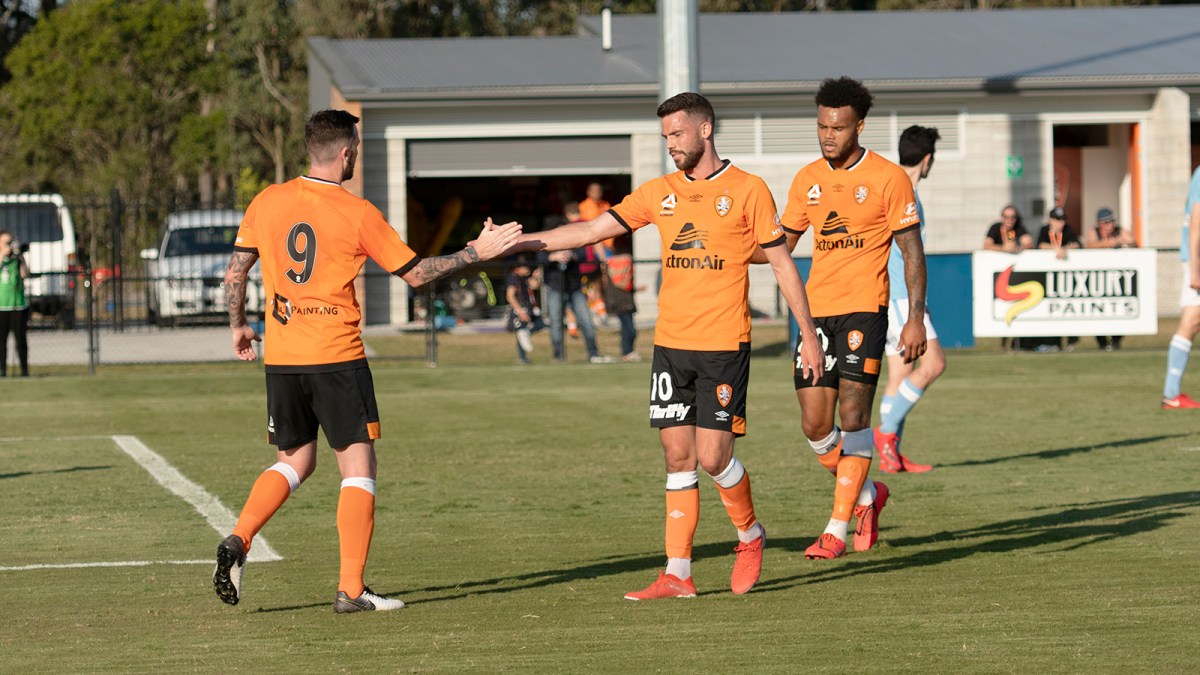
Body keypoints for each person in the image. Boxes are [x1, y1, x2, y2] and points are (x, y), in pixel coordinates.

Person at [511, 92, 825, 600]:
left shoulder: (749, 190)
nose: (671, 146)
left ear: (705, 130)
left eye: (677, 135)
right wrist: (524, 242)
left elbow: (783, 263)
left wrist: (808, 335)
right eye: (665, 138)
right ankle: (678, 572)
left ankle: (750, 536)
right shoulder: (659, 192)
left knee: (713, 456)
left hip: (724, 344)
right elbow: (591, 229)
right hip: (671, 345)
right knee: (677, 456)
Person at [214, 109, 521, 613]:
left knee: (294, 460)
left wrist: (238, 326)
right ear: (346, 152)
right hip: (335, 356)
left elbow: (235, 273)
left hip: (283, 357)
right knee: (357, 466)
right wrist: (475, 252)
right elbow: (418, 274)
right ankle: (351, 589)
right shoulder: (357, 212)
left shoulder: (267, 200)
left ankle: (239, 540)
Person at [779, 76, 926, 560]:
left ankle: (836, 529)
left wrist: (914, 320)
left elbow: (912, 253)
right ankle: (868, 496)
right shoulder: (806, 179)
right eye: (821, 126)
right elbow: (781, 247)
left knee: (853, 415)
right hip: (814, 314)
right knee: (815, 426)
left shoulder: (888, 177)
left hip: (866, 308)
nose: (827, 136)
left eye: (837, 128)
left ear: (859, 126)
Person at [873, 126, 943, 474]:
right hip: (902, 298)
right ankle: (885, 435)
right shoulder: (904, 192)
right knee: (934, 365)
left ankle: (891, 455)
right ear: (927, 159)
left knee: (900, 376)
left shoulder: (899, 187)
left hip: (895, 296)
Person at [543, 202, 613, 364]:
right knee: (555, 323)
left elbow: (583, 253)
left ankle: (593, 353)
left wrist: (572, 255)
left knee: (586, 320)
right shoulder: (546, 242)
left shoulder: (572, 238)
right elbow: (539, 258)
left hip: (574, 286)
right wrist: (552, 257)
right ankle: (558, 356)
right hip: (555, 286)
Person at [1161, 165, 1200, 409]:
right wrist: (1196, 267)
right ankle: (1170, 393)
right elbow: (1197, 219)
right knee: (1190, 322)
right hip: (1199, 260)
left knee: (1191, 322)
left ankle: (1171, 393)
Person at [1085, 207, 1135, 351]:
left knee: (1118, 308)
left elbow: (1132, 240)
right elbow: (1090, 245)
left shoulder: (1120, 231)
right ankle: (1101, 342)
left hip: (1117, 280)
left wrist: (1122, 240)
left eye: (1112, 221)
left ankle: (1116, 340)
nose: (1110, 225)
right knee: (1097, 311)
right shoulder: (1094, 232)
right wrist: (1109, 243)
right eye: (1106, 222)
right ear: (1099, 223)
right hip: (1098, 281)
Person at [1035, 206, 1082, 352]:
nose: (1060, 223)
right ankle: (1052, 342)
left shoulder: (1068, 230)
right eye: (1057, 220)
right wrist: (1056, 249)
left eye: (1062, 220)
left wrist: (1066, 249)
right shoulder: (1044, 230)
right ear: (1051, 220)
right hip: (1047, 279)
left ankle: (1070, 341)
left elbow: (1077, 244)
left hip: (1066, 280)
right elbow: (1040, 245)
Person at [601, 233, 640, 362]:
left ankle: (628, 352)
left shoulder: (610, 261)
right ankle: (627, 352)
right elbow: (623, 282)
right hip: (622, 300)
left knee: (627, 328)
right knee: (630, 330)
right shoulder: (623, 260)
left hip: (620, 299)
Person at [0, 230, 30, 377]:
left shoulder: (16, 260)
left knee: (21, 340)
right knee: (1, 342)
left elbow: (25, 274)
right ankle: (2, 371)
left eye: (10, 242)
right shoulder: (2, 260)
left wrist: (21, 257)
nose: (9, 245)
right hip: (2, 306)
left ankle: (24, 370)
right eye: (6, 242)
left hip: (18, 305)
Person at [505, 253, 544, 364]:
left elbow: (534, 287)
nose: (528, 270)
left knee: (539, 324)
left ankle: (526, 333)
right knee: (521, 330)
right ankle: (523, 358)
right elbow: (510, 296)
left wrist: (536, 277)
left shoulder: (526, 277)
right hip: (520, 307)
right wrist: (520, 311)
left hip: (530, 306)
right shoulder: (513, 277)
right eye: (525, 267)